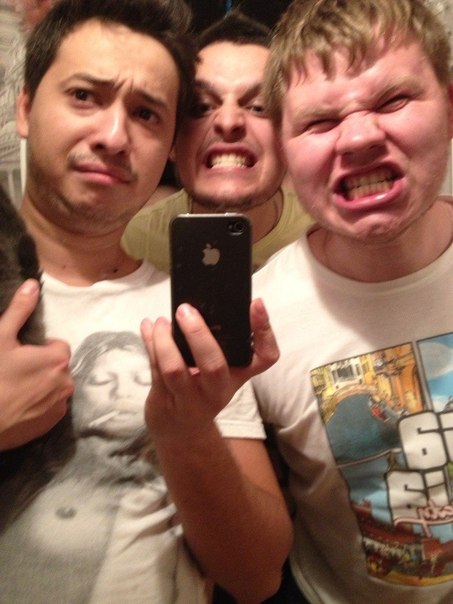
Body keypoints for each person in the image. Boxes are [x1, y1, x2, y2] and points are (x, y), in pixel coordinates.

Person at [147, 0, 453, 602]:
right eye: (319, 121)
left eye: (393, 100)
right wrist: (185, 430)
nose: (360, 136)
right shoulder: (252, 322)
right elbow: (251, 572)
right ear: (286, 148)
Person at [0, 0, 292, 602]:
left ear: (169, 148)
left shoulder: (188, 317)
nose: (113, 136)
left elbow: (256, 576)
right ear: (25, 108)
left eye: (145, 113)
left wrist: (187, 432)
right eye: (85, 96)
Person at [122, 10, 312, 274]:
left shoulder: (324, 237)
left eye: (259, 107)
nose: (228, 121)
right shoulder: (131, 247)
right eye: (201, 107)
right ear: (172, 142)